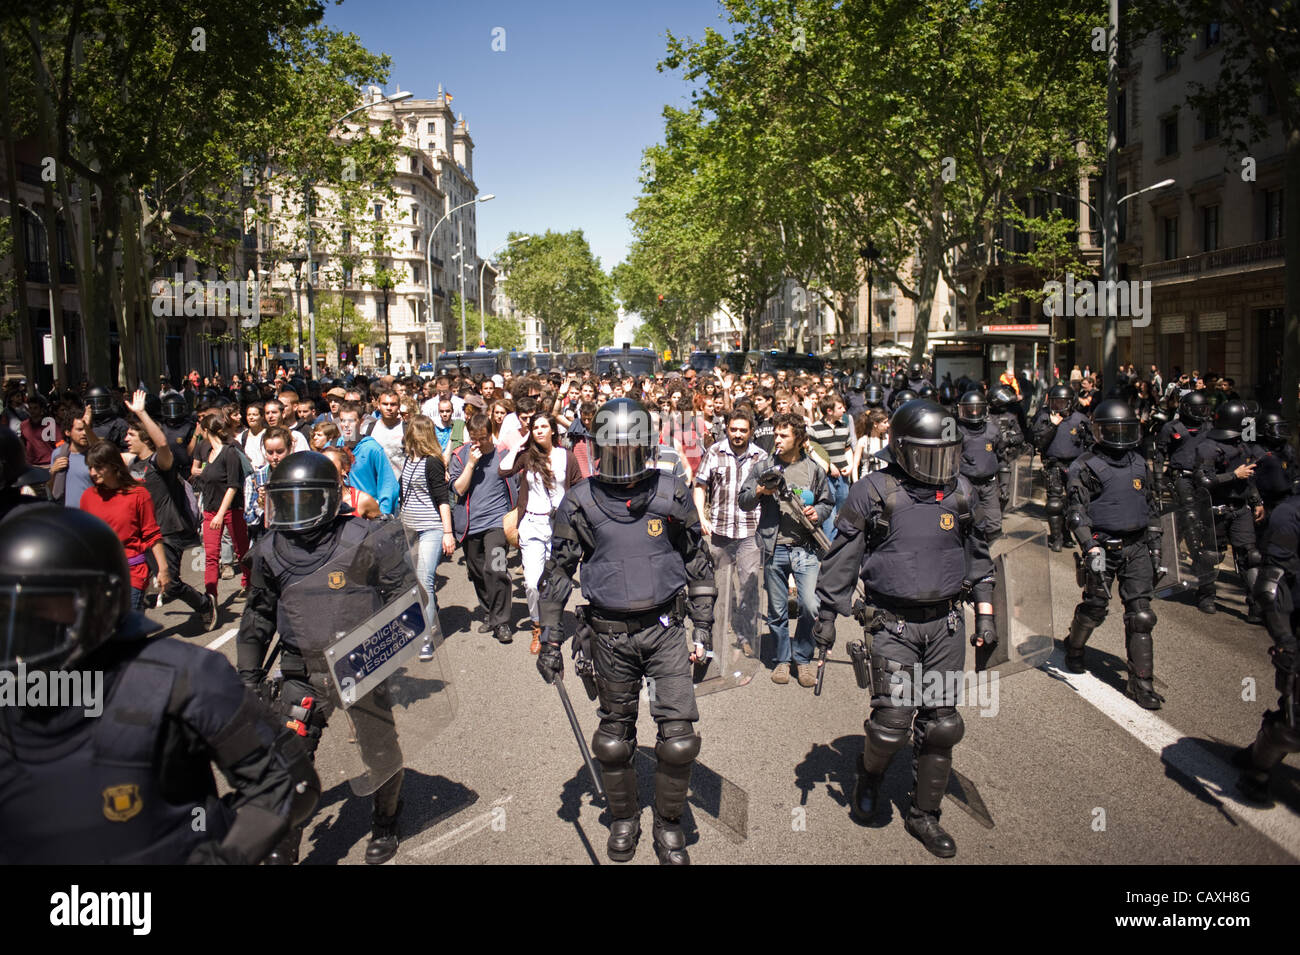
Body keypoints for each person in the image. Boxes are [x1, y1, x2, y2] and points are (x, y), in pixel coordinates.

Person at [0, 506, 320, 863]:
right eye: (6, 609)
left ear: (99, 600)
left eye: (42, 606)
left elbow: (288, 782)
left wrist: (224, 854)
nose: (21, 626)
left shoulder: (184, 678)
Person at [813, 399, 997, 858]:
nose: (941, 465)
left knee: (942, 724)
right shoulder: (873, 492)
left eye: (947, 454)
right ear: (902, 450)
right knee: (891, 723)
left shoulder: (962, 493)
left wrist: (987, 615)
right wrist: (827, 616)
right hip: (892, 625)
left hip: (946, 625)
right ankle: (870, 774)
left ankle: (924, 814)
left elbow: (979, 560)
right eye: (928, 455)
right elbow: (842, 560)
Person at [535, 397, 716, 865]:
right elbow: (557, 573)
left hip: (666, 630)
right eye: (612, 449)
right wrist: (549, 639)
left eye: (629, 448)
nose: (621, 458)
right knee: (613, 739)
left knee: (679, 739)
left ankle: (669, 824)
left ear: (646, 447)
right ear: (597, 449)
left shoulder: (671, 493)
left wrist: (704, 628)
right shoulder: (578, 501)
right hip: (610, 636)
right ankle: (624, 817)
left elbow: (697, 562)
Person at [236, 452, 416, 864]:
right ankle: (283, 846)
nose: (295, 510)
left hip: (360, 663)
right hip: (302, 669)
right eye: (287, 500)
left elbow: (407, 599)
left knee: (380, 751)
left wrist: (389, 642)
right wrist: (247, 677)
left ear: (330, 499)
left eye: (305, 500)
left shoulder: (367, 538)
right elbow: (258, 616)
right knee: (289, 759)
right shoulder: (269, 550)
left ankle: (386, 821)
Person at [1063, 400, 1165, 708]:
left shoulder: (1139, 462)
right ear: (1100, 431)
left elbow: (1151, 505)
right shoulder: (1085, 465)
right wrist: (1089, 546)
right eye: (1113, 430)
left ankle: (1141, 684)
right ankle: (1074, 647)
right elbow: (1076, 512)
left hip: (1137, 546)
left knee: (1141, 615)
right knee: (1095, 607)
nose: (1120, 436)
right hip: (1102, 547)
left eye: (1125, 430)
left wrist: (1156, 544)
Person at [739, 412, 832, 687]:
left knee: (810, 605)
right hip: (774, 548)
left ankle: (802, 658)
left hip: (805, 548)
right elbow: (743, 500)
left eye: (783, 435)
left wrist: (818, 513)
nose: (777, 439)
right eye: (776, 434)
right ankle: (782, 659)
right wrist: (760, 491)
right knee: (777, 610)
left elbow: (827, 502)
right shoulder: (763, 466)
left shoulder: (813, 470)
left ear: (799, 439)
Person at [1234, 481, 1300, 803]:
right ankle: (1257, 772)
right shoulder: (1290, 515)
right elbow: (1269, 586)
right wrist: (1285, 640)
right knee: (1295, 725)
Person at [123, 389, 211, 626]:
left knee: (170, 584)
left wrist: (142, 413)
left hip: (168, 530)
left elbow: (162, 443)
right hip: (142, 532)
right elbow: (102, 454)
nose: (126, 438)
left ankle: (204, 604)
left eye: (131, 434)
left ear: (145, 439)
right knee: (138, 580)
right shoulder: (132, 463)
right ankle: (135, 628)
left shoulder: (159, 462)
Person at [499, 412, 582, 651]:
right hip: (532, 524)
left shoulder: (566, 457)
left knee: (555, 581)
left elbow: (578, 486)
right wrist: (518, 446)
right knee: (532, 583)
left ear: (553, 430)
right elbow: (503, 470)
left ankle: (551, 623)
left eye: (544, 426)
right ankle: (537, 625)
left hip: (559, 527)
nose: (539, 431)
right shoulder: (528, 457)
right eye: (535, 427)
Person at [693, 407, 764, 659]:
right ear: (727, 429)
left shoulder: (761, 457)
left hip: (749, 531)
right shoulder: (714, 452)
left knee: (749, 587)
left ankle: (746, 637)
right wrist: (701, 516)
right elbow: (700, 486)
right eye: (733, 429)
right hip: (720, 532)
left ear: (751, 431)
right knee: (720, 589)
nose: (737, 434)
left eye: (743, 430)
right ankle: (716, 639)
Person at [448, 413, 518, 644]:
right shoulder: (460, 456)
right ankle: (490, 612)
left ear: (491, 434)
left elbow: (518, 484)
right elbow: (458, 489)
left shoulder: (503, 455)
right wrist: (471, 463)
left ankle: (501, 621)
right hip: (470, 525)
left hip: (497, 523)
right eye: (474, 438)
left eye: (484, 438)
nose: (479, 443)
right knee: (477, 572)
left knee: (496, 568)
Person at [78, 442, 172, 611]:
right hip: (100, 576)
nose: (92, 473)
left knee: (127, 623)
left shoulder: (138, 494)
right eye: (90, 467)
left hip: (132, 573)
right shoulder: (88, 497)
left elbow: (152, 533)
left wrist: (163, 569)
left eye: (98, 467)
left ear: (114, 466)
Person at [1194, 400, 1265, 620]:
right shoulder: (1208, 447)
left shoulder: (1243, 446)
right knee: (1211, 555)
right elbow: (1203, 480)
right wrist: (1234, 475)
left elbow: (1249, 477)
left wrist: (1257, 501)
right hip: (1216, 509)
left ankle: (1256, 606)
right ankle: (1206, 596)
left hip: (1240, 509)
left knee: (1250, 556)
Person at [399, 415, 455, 660]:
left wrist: (448, 533)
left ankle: (425, 638)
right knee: (412, 582)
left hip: (431, 528)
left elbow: (443, 499)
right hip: (408, 528)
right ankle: (430, 611)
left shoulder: (432, 462)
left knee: (425, 580)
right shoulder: (407, 460)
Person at [190, 413, 250, 623]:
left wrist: (221, 514)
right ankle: (210, 599)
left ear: (206, 430)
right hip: (210, 510)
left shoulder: (229, 452)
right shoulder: (208, 452)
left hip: (231, 510)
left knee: (241, 550)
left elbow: (233, 486)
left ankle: (249, 584)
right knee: (211, 556)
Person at [1033, 383, 1092, 551]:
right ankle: (1056, 537)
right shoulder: (1044, 417)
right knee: (1054, 504)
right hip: (1053, 464)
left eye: (1061, 402)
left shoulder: (1080, 419)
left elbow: (1090, 444)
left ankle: (1069, 535)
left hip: (1075, 465)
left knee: (1075, 502)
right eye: (1054, 402)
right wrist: (1052, 426)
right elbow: (1038, 442)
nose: (1057, 406)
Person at [956, 390, 1005, 543]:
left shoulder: (992, 430)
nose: (974, 413)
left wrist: (1004, 484)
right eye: (970, 409)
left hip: (989, 485)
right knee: (968, 524)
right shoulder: (955, 429)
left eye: (977, 409)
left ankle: (987, 553)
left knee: (994, 527)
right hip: (966, 485)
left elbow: (1001, 455)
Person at [243, 425, 294, 538]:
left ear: (290, 448)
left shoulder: (299, 476)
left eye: (280, 451)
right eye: (270, 452)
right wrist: (260, 504)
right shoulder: (255, 478)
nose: (275, 457)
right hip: (265, 537)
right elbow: (249, 520)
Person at [85, 385, 130, 451]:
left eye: (101, 402)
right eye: (94, 403)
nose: (98, 405)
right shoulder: (85, 423)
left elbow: (127, 449)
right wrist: (86, 425)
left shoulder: (119, 424)